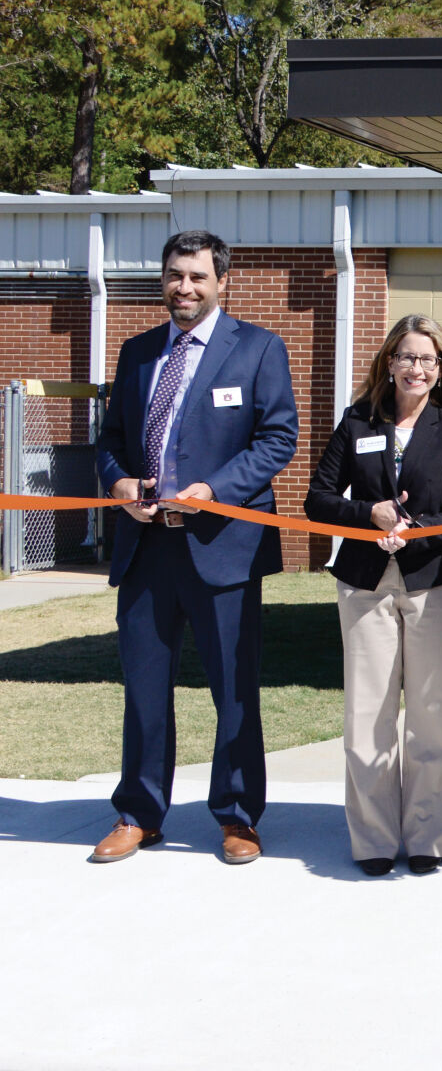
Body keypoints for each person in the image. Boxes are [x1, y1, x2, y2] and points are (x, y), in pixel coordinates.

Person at [90, 229, 299, 865]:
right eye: (175, 275)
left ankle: (238, 817)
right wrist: (119, 481)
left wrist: (213, 488)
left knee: (233, 689)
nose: (185, 287)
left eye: (198, 277)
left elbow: (277, 439)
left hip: (223, 547)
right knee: (144, 687)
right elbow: (110, 441)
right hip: (146, 547)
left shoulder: (259, 349)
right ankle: (139, 813)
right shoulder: (137, 352)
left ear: (221, 282)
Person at [305, 314, 442, 877]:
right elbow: (318, 500)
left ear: (441, 372)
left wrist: (412, 528)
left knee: (433, 712)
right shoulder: (356, 422)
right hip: (365, 579)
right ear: (389, 363)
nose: (417, 368)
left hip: (434, 578)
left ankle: (427, 837)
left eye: (428, 360)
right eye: (408, 357)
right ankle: (372, 839)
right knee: (367, 712)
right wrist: (367, 513)